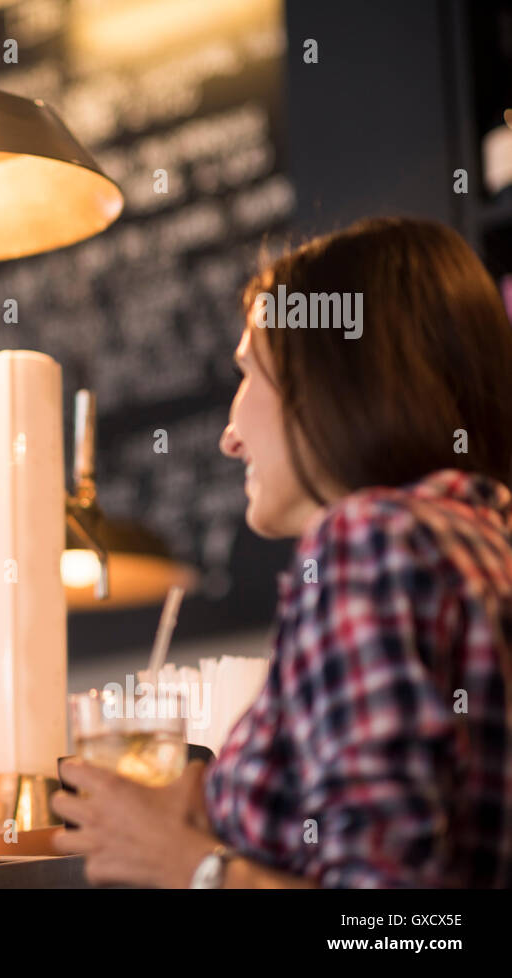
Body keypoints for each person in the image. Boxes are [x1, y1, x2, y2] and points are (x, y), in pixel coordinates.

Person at [52, 216, 512, 888]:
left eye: (250, 372)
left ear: (336, 377)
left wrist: (187, 865)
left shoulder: (368, 543)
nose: (229, 437)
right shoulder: (478, 538)